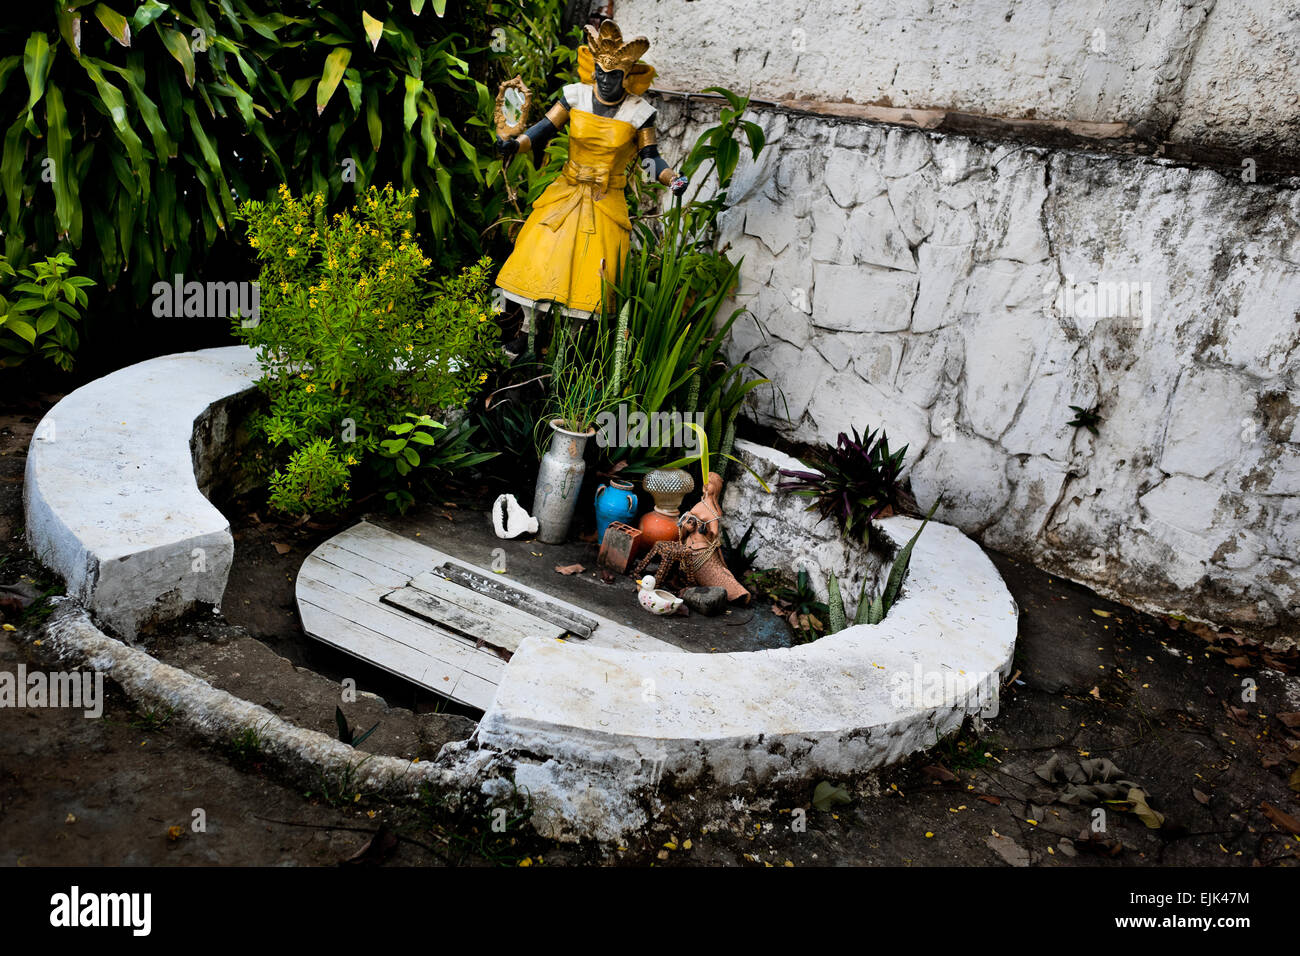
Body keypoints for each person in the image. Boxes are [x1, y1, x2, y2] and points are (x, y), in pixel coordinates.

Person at [494, 19, 689, 343]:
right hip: (565, 193)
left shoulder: (639, 113)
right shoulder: (574, 97)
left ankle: (569, 347)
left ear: (626, 75)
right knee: (540, 255)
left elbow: (649, 159)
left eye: (613, 75)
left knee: (592, 271)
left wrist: (671, 179)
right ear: (593, 67)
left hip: (605, 200)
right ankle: (526, 336)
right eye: (600, 71)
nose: (605, 79)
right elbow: (542, 130)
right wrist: (515, 144)